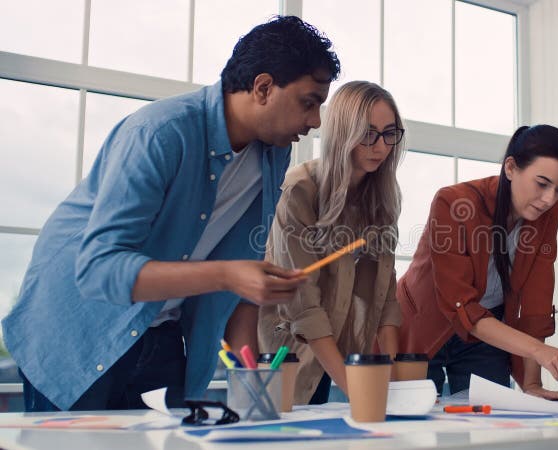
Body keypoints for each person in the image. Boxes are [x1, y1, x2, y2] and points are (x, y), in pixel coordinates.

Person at [1, 16, 340, 411]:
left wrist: (252, 382)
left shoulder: (273, 154)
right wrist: (228, 276)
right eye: (309, 102)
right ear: (263, 87)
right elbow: (98, 269)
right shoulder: (160, 133)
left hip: (161, 335)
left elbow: (242, 286)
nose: (315, 122)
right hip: (76, 332)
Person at [398, 125, 558, 400]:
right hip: (424, 327)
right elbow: (461, 305)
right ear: (510, 168)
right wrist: (538, 350)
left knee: (493, 421)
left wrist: (532, 384)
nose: (549, 199)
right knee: (416, 427)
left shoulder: (547, 210)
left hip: (487, 331)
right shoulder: (453, 202)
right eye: (542, 184)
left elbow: (537, 300)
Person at [258, 81, 406, 404]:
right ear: (343, 132)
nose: (380, 146)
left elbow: (386, 300)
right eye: (368, 133)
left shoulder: (382, 201)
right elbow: (304, 306)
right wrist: (359, 391)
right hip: (289, 355)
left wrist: (395, 384)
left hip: (339, 351)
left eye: (390, 133)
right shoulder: (301, 190)